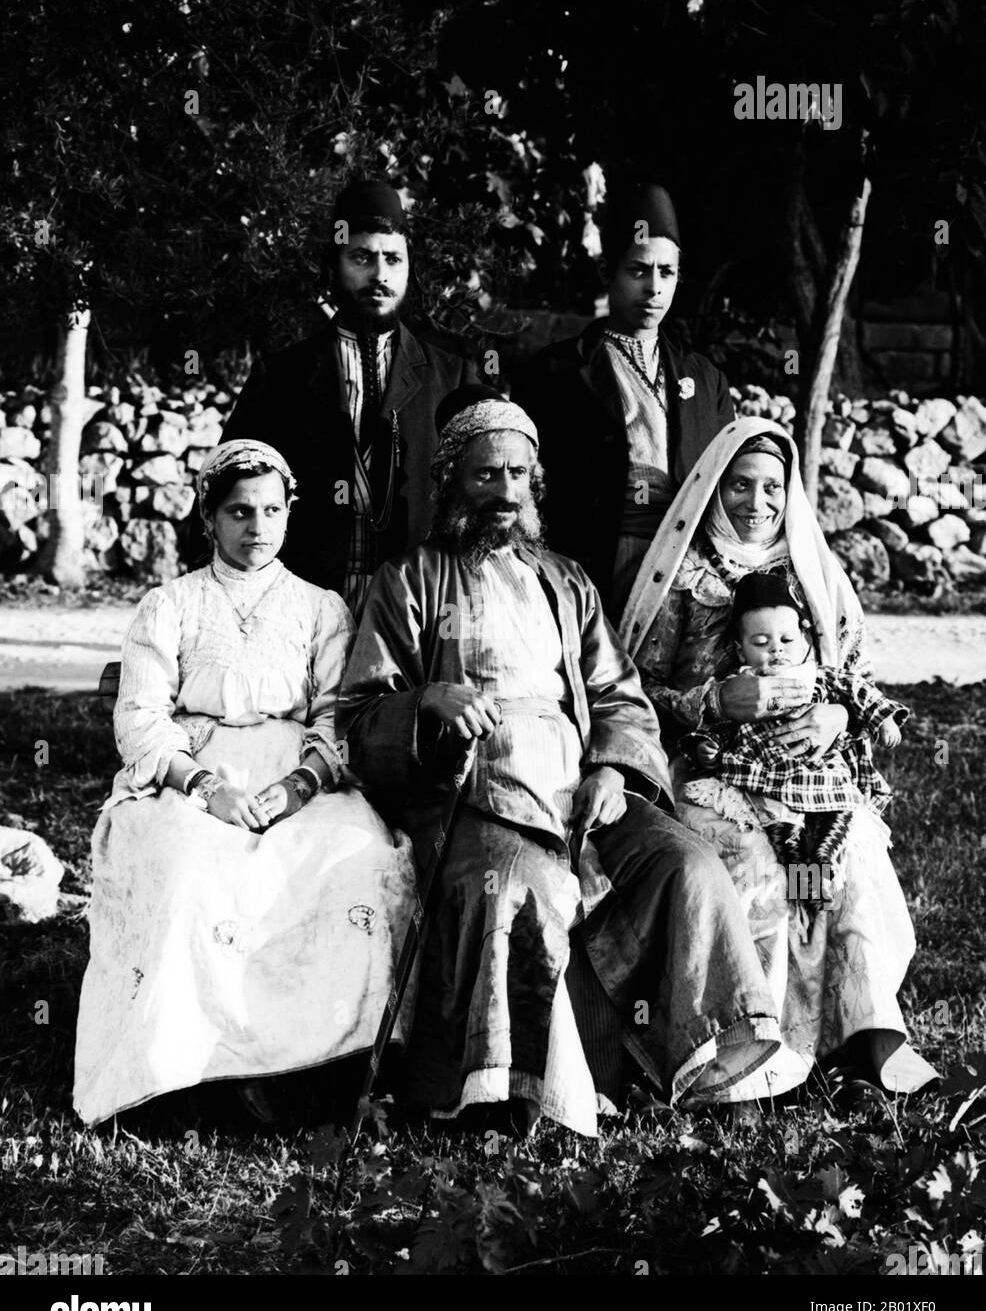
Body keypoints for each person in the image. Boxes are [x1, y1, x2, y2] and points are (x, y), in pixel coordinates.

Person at [336, 386, 782, 1137]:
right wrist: (427, 704)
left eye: (517, 475)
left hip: (581, 787)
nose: (503, 493)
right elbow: (359, 718)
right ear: (452, 484)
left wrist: (614, 771)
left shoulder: (566, 581)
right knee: (521, 886)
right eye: (484, 476)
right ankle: (524, 1095)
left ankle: (693, 1066)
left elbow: (617, 692)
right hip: (478, 793)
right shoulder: (409, 580)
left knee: (686, 863)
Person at [73, 439, 419, 1128]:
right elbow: (141, 717)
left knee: (358, 864)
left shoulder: (321, 607)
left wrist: (298, 786)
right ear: (208, 518)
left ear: (290, 514)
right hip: (191, 775)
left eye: (269, 509)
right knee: (189, 869)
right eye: (237, 511)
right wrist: (205, 788)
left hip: (302, 779)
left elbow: (338, 715)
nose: (255, 526)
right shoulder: (168, 604)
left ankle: (329, 1072)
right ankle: (190, 1075)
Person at [619, 417, 938, 1101]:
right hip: (715, 775)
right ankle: (767, 1054)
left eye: (771, 487)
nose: (756, 502)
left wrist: (838, 712)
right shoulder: (681, 578)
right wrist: (712, 700)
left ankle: (865, 1043)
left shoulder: (811, 570)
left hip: (815, 776)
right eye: (739, 484)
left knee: (846, 873)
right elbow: (632, 692)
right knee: (764, 875)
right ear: (712, 487)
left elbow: (856, 672)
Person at [222, 179, 476, 615]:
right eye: (362, 257)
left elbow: (475, 503)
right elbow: (225, 489)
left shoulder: (451, 377)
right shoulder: (282, 376)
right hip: (301, 603)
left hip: (416, 605)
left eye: (393, 259)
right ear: (334, 264)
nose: (380, 275)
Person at [513, 182, 733, 619]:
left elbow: (725, 483)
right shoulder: (556, 373)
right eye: (638, 270)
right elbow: (529, 489)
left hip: (685, 567)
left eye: (666, 273)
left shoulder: (705, 380)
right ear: (606, 273)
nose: (654, 288)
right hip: (589, 567)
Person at [679, 571, 907, 919]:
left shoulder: (819, 676)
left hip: (822, 773)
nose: (777, 649)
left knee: (835, 820)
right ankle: (806, 890)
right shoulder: (741, 684)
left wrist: (882, 718)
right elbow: (719, 725)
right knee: (784, 837)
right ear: (741, 649)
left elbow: (858, 690)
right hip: (770, 778)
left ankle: (824, 865)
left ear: (804, 639)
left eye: (787, 638)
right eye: (761, 642)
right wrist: (707, 747)